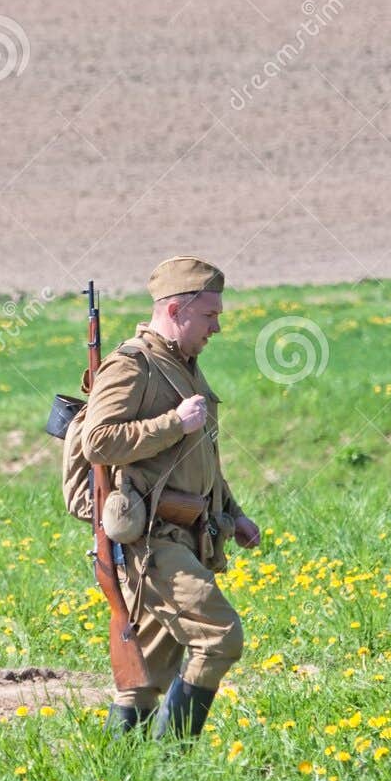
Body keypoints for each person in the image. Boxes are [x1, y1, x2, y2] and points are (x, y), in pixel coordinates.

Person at [81, 256, 260, 739]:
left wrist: (234, 514)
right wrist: (172, 424)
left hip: (188, 531)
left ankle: (122, 773)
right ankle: (171, 760)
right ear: (177, 310)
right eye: (210, 316)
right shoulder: (133, 364)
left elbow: (202, 460)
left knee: (146, 680)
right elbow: (97, 441)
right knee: (220, 638)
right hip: (151, 542)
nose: (217, 328)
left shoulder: (183, 365)